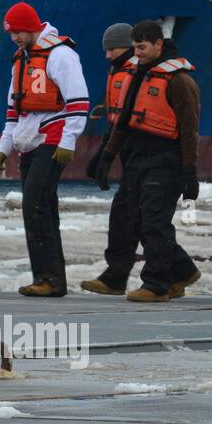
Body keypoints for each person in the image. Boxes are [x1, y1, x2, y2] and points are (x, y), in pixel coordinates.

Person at [93, 20, 201, 302]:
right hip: (138, 158)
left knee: (154, 222)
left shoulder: (180, 81)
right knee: (132, 217)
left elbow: (189, 131)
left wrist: (190, 171)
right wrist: (106, 156)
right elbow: (124, 122)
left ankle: (156, 285)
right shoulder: (140, 76)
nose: (137, 53)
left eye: (142, 47)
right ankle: (182, 270)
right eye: (135, 47)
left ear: (158, 45)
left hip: (167, 160)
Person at [0, 1, 90, 297]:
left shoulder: (61, 55)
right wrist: (2, 148)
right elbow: (13, 110)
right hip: (28, 142)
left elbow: (78, 100)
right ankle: (49, 279)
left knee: (34, 204)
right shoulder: (21, 60)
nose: (15, 38)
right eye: (11, 34)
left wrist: (68, 141)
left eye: (18, 32)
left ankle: (50, 279)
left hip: (53, 138)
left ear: (32, 26)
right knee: (41, 207)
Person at [81, 23, 142, 295]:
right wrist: (103, 155)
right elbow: (117, 121)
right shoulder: (118, 71)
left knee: (140, 218)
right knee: (129, 216)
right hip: (129, 151)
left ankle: (177, 271)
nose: (107, 56)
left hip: (149, 154)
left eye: (113, 49)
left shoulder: (140, 74)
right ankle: (117, 276)